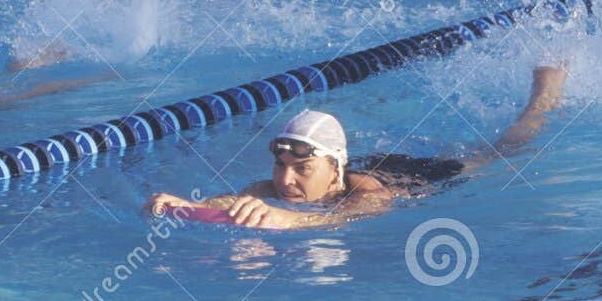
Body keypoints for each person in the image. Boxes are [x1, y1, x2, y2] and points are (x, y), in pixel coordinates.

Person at [144, 63, 568, 229]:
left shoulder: (367, 194)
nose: (285, 178)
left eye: (300, 168)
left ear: (332, 170)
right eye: (280, 164)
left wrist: (284, 221)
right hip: (357, 163)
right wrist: (184, 205)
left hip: (416, 176)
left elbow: (339, 221)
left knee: (504, 150)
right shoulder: (275, 187)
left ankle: (544, 94)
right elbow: (233, 202)